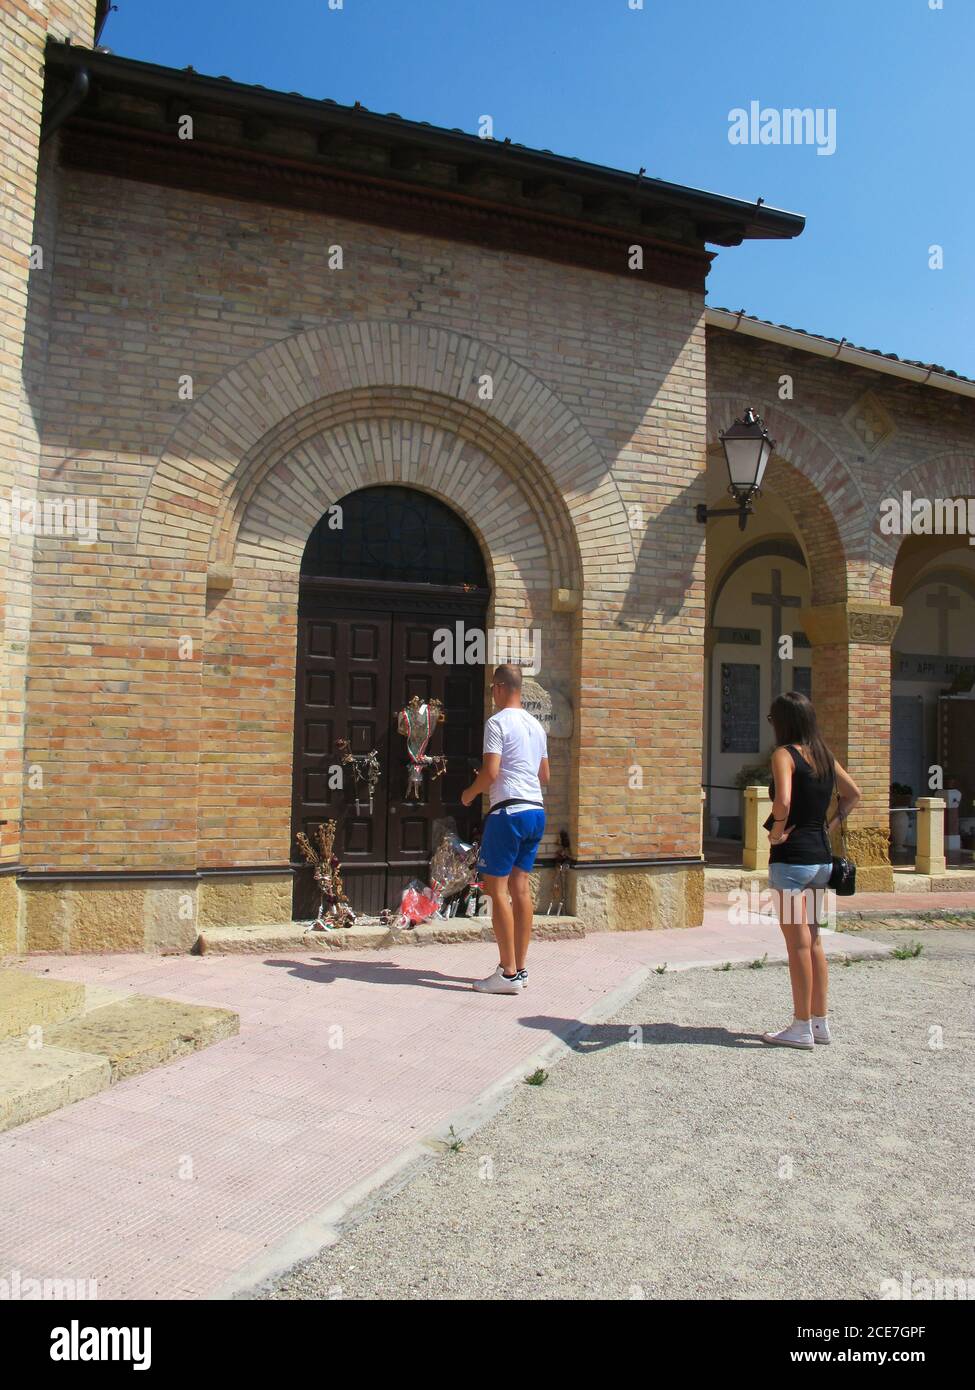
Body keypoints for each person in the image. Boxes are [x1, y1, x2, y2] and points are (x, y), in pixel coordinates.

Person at [761, 690, 861, 1050]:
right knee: (815, 939)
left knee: (797, 945)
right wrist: (827, 827)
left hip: (790, 864)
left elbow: (783, 800)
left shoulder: (783, 755)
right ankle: (820, 1023)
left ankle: (800, 1027)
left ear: (782, 721)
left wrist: (776, 833)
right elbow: (853, 794)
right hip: (821, 861)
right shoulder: (824, 754)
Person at [460, 664, 549, 994]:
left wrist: (469, 794)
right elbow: (545, 776)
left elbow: (491, 772)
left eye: (491, 689)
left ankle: (507, 972)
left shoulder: (496, 723)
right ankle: (521, 969)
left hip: (507, 813)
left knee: (496, 889)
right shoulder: (536, 727)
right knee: (520, 888)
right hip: (536, 812)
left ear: (498, 687)